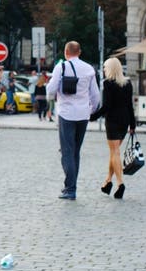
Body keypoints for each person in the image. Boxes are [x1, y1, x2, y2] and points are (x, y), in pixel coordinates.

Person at [46, 41, 100, 200]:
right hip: (83, 115)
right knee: (76, 151)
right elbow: (95, 95)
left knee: (67, 152)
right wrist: (91, 110)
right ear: (79, 52)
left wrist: (52, 99)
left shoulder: (61, 67)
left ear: (65, 52)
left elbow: (51, 89)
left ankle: (70, 189)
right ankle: (71, 186)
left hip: (66, 114)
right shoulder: (89, 69)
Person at [90, 57, 136, 200]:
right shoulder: (128, 83)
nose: (104, 70)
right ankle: (108, 181)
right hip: (124, 121)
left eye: (105, 67)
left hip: (113, 121)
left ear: (110, 68)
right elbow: (130, 105)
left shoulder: (108, 83)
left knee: (115, 152)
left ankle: (120, 183)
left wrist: (92, 117)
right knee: (114, 152)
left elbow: (107, 106)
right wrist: (132, 124)